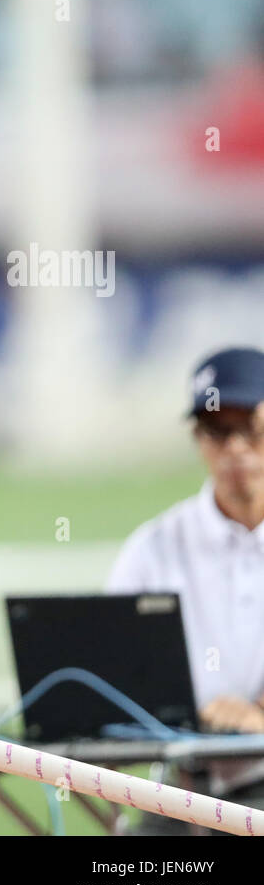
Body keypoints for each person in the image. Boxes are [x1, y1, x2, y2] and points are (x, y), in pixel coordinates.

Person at [106, 346, 264, 834]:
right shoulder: (152, 548)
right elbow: (109, 670)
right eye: (217, 431)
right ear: (199, 439)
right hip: (184, 789)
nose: (234, 447)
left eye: (249, 427)